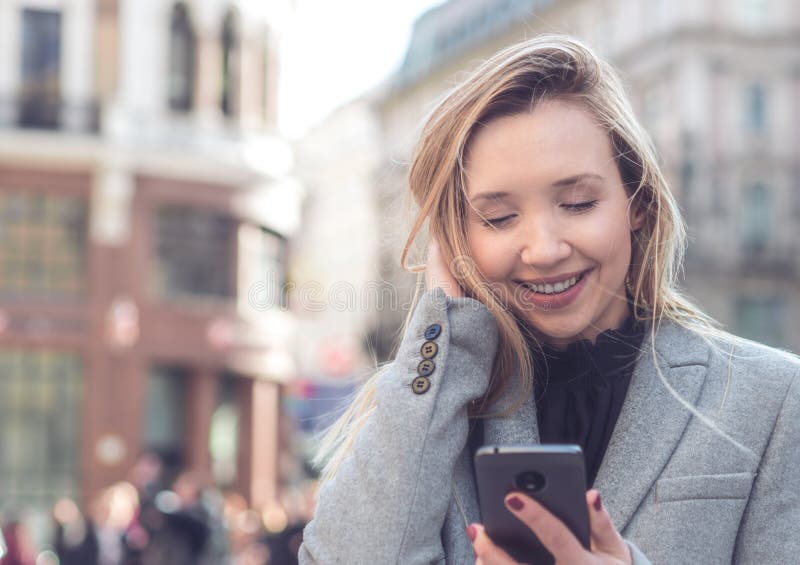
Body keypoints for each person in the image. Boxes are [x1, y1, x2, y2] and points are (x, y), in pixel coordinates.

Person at [298, 35, 800, 564]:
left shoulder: (775, 398)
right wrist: (442, 334)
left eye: (578, 203)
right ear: (457, 237)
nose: (543, 250)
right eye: (498, 218)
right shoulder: (428, 404)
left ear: (638, 203)